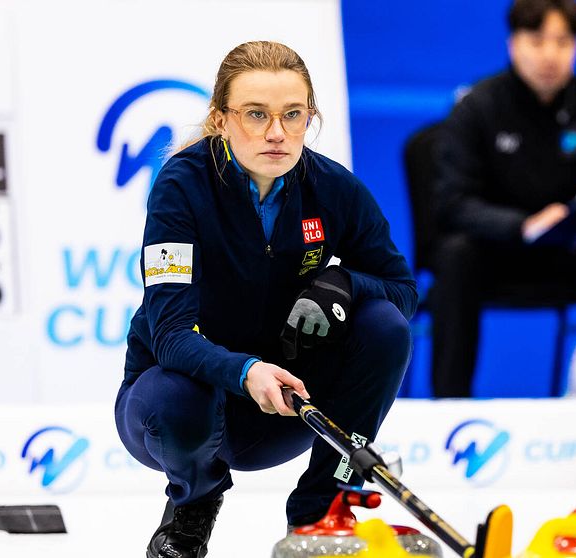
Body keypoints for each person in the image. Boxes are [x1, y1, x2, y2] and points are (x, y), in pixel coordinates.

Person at [114, 41, 417, 558]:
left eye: (292, 115)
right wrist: (247, 369)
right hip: (174, 411)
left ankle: (322, 512)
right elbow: (168, 334)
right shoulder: (181, 186)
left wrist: (344, 285)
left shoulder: (333, 188)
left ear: (309, 118)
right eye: (256, 114)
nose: (276, 133)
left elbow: (403, 290)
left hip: (282, 407)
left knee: (385, 325)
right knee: (178, 398)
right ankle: (192, 510)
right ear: (220, 120)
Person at [432, 0, 576, 398]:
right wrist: (523, 225)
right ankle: (451, 407)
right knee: (454, 256)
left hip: (571, 252)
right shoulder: (477, 107)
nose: (550, 54)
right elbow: (452, 202)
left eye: (563, 41)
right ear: (513, 44)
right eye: (537, 41)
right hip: (498, 252)